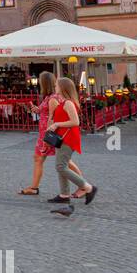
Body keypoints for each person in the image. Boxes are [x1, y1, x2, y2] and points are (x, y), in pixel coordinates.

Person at [18, 72, 79, 196]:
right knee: (42, 159)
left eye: (40, 81)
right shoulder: (48, 97)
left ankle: (83, 185)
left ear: (44, 83)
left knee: (63, 162)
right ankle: (34, 187)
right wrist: (36, 109)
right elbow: (44, 111)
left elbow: (52, 117)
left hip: (49, 132)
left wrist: (47, 138)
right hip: (46, 132)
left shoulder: (53, 98)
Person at [46, 77, 96, 209]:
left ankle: (88, 187)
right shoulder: (62, 102)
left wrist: (56, 124)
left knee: (61, 166)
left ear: (63, 87)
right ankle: (64, 195)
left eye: (56, 85)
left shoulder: (68, 103)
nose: (55, 87)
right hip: (61, 137)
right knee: (61, 165)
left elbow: (76, 122)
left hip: (68, 138)